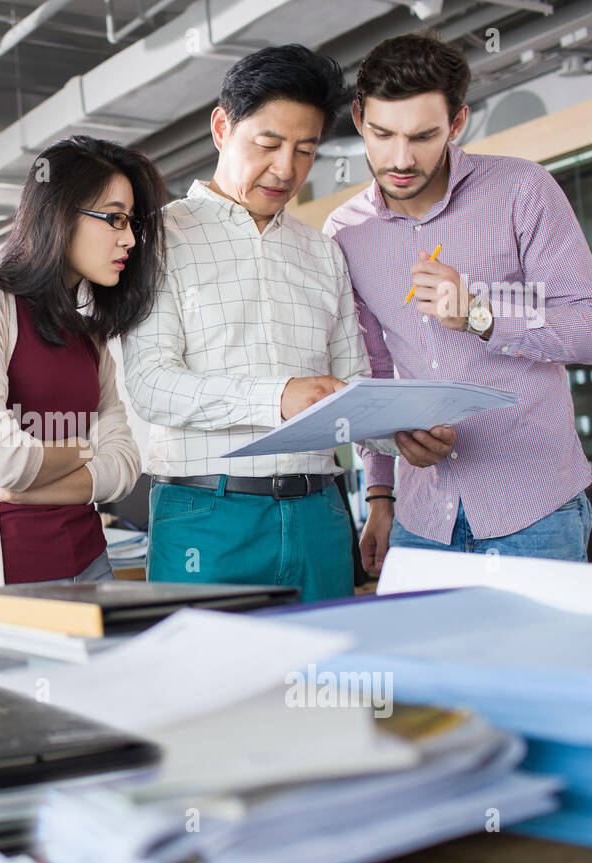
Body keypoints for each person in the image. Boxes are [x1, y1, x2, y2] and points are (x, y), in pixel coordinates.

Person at [123, 45, 432, 603]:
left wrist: (403, 431)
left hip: (320, 515)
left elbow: (352, 386)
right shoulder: (156, 238)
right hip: (206, 517)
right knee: (211, 687)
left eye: (306, 150)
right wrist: (280, 398)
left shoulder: (323, 252)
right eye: (267, 144)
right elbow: (151, 385)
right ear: (222, 127)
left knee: (327, 686)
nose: (286, 169)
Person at [324, 31, 592, 570]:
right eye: (383, 134)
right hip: (420, 517)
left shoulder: (522, 191)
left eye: (423, 135)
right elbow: (375, 372)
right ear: (360, 117)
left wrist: (480, 316)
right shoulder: (346, 232)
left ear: (457, 123)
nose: (401, 158)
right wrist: (380, 496)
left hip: (535, 510)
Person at [0, 135, 165, 629]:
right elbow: (4, 460)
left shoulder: (91, 335)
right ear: (60, 214)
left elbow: (124, 468)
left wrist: (28, 487)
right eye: (116, 218)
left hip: (93, 568)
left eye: (133, 222)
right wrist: (82, 449)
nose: (130, 239)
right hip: (10, 584)